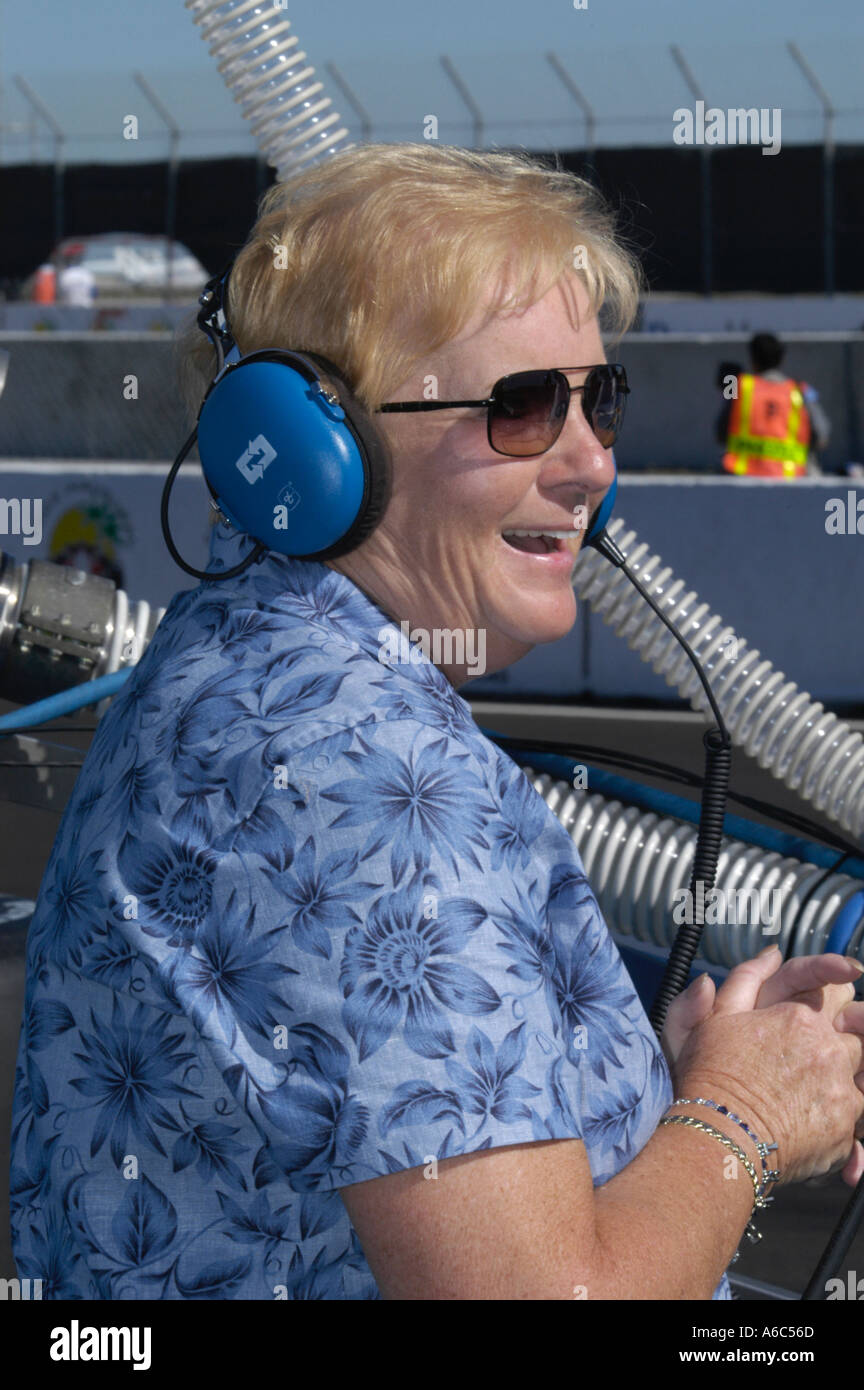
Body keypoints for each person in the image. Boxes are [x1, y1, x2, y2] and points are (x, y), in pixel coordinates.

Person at [9, 144, 864, 1301]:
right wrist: (748, 1117)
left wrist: (636, 1090)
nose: (591, 462)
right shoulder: (359, 773)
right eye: (521, 407)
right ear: (325, 451)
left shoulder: (245, 670)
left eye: (598, 399)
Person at [717, 332, 830, 477]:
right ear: (781, 359)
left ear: (752, 358)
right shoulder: (800, 391)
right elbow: (821, 437)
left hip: (743, 475)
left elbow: (721, 433)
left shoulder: (739, 387)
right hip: (792, 478)